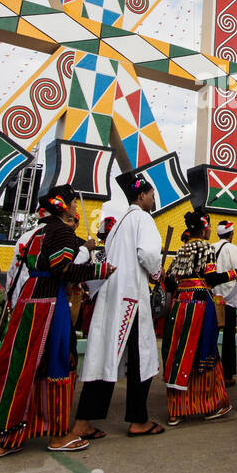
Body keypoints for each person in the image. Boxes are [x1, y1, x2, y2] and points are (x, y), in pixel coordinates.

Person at [0, 185, 114, 455]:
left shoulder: (38, 232)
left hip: (29, 299)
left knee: (22, 364)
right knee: (57, 362)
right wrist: (101, 269)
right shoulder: (61, 231)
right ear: (63, 206)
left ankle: (7, 437)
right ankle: (59, 435)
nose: (75, 206)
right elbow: (62, 268)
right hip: (50, 302)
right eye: (73, 202)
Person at [76, 171, 165, 437]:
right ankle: (137, 420)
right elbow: (148, 254)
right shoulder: (142, 218)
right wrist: (156, 272)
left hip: (112, 295)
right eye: (151, 195)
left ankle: (85, 421)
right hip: (132, 298)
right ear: (142, 196)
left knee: (104, 356)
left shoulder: (117, 226)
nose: (152, 199)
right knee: (143, 357)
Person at [163, 210, 237, 424]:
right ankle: (212, 405)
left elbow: (170, 281)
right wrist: (236, 272)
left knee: (178, 351)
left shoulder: (182, 249)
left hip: (179, 303)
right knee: (204, 350)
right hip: (199, 303)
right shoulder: (205, 248)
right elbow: (211, 277)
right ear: (205, 228)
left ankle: (176, 410)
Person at [211, 220, 237, 384]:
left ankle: (210, 369)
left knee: (211, 334)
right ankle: (227, 373)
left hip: (212, 297)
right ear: (231, 234)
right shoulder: (233, 249)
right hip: (229, 298)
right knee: (229, 336)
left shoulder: (211, 247)